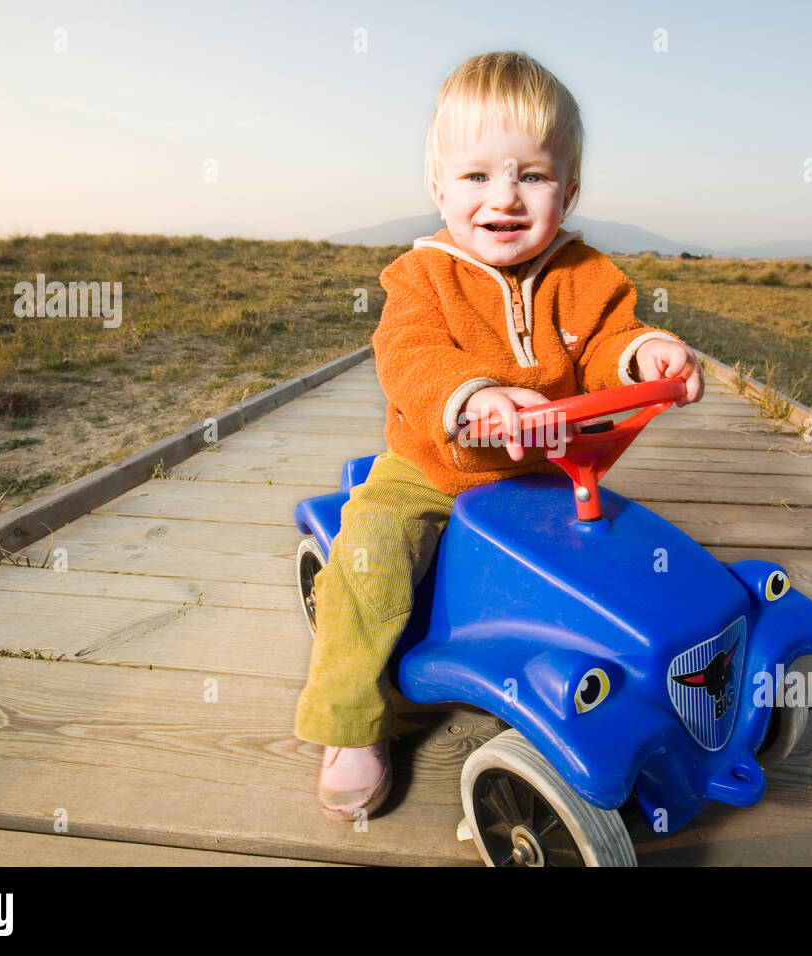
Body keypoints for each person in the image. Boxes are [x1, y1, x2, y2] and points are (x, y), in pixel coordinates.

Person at [294, 50, 704, 820]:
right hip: (433, 471)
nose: (505, 198)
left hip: (546, 477)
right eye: (477, 176)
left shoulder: (587, 275)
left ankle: (627, 686)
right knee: (370, 553)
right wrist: (472, 394)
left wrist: (644, 353)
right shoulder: (420, 279)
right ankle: (350, 721)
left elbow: (612, 339)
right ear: (439, 184)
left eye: (533, 176)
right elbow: (408, 358)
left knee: (616, 563)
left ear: (570, 188)